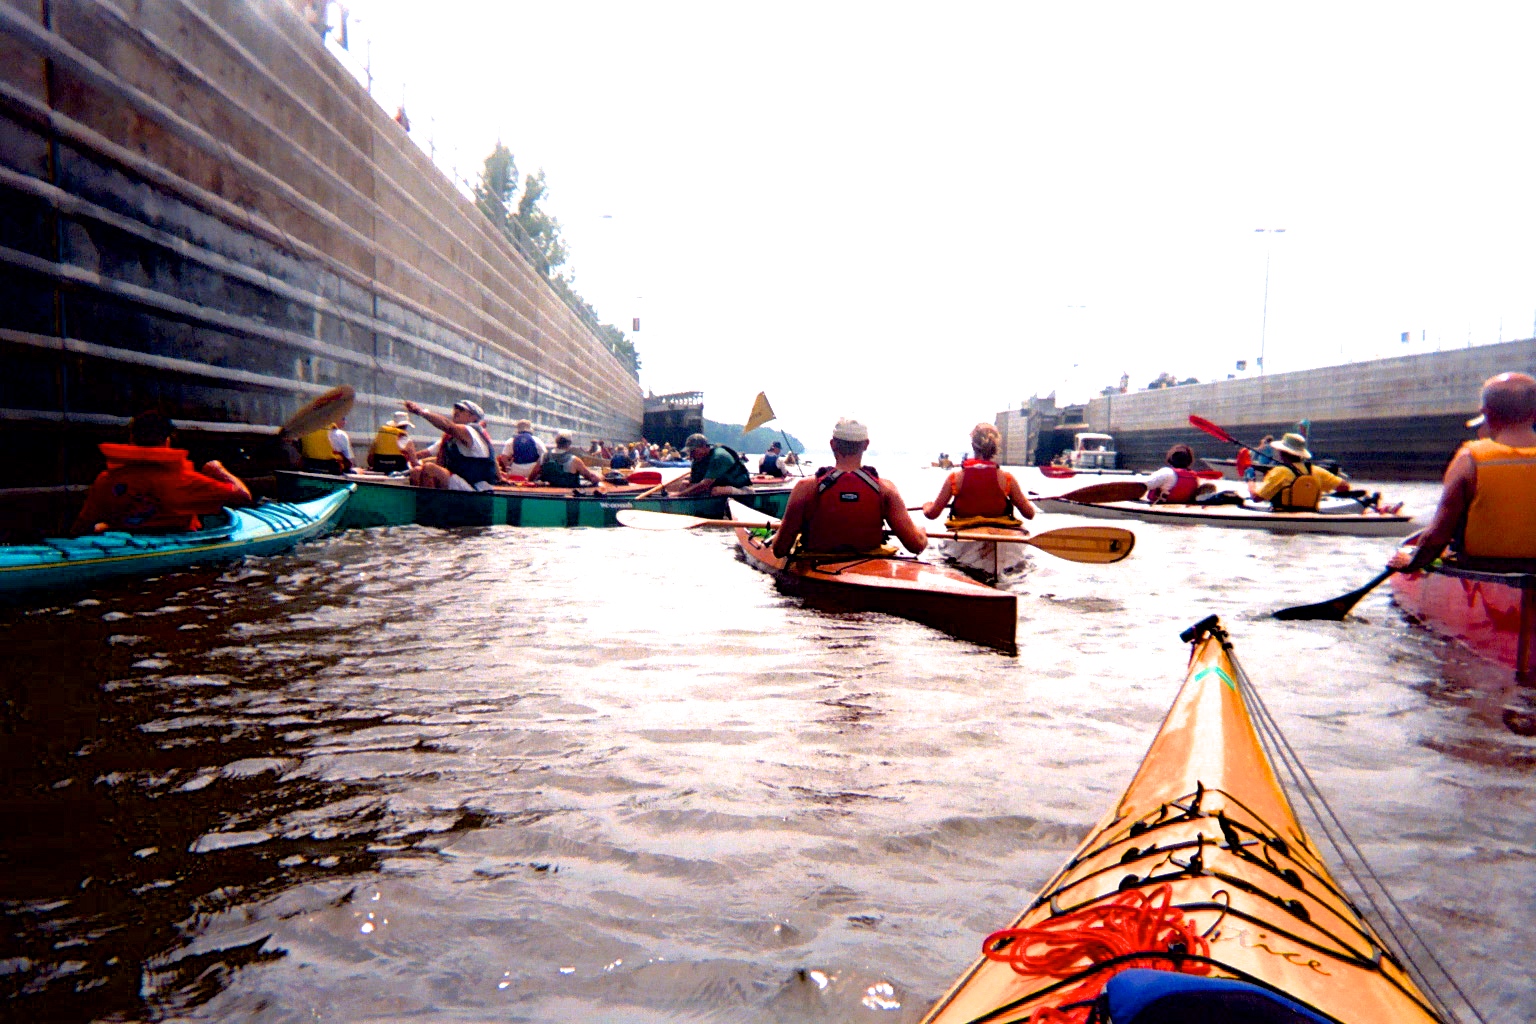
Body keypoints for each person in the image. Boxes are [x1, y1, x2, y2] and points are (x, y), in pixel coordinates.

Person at [1389, 372, 1536, 571]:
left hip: (1483, 567)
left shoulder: (1469, 459)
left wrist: (1412, 563)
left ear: (1487, 413)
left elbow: (1437, 536)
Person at [72, 411, 251, 534]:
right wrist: (217, 469)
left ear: (131, 438)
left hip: (125, 543)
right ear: (167, 440)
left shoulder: (106, 479)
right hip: (173, 544)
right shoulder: (186, 481)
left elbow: (81, 527)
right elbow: (243, 496)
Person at [772, 418, 927, 557]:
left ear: (832, 444)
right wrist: (921, 532)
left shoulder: (805, 488)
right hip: (869, 569)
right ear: (866, 445)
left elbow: (780, 550)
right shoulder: (886, 489)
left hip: (817, 565)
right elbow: (916, 546)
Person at [922, 423, 1036, 523]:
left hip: (964, 540)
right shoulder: (1007, 479)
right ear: (995, 447)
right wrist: (1018, 500)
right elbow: (1029, 514)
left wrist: (926, 507)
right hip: (1000, 537)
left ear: (973, 445)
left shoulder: (954, 479)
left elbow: (932, 514)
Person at [404, 399, 500, 491]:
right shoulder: (450, 438)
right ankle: (420, 506)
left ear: (473, 417)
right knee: (416, 471)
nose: (456, 411)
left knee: (430, 469)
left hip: (477, 489)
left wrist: (421, 412)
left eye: (462, 410)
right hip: (462, 485)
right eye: (456, 409)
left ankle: (431, 506)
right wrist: (408, 457)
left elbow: (448, 426)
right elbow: (427, 455)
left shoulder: (471, 431)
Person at [1247, 432, 1349, 511]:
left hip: (1282, 516)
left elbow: (1256, 498)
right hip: (1311, 516)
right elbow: (1344, 487)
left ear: (1282, 452)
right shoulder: (1316, 471)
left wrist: (1250, 480)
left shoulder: (1279, 472)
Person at [665, 433, 753, 496]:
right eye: (690, 452)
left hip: (740, 487)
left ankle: (746, 493)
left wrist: (679, 494)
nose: (691, 455)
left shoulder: (719, 456)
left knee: (716, 491)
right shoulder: (698, 459)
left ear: (704, 447)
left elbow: (705, 484)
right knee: (685, 484)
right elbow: (694, 481)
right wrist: (683, 487)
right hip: (720, 484)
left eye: (693, 451)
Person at [533, 433, 604, 488]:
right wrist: (601, 476)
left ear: (556, 441)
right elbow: (593, 478)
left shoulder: (543, 457)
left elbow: (531, 477)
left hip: (548, 494)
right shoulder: (574, 460)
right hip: (569, 496)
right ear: (569, 444)